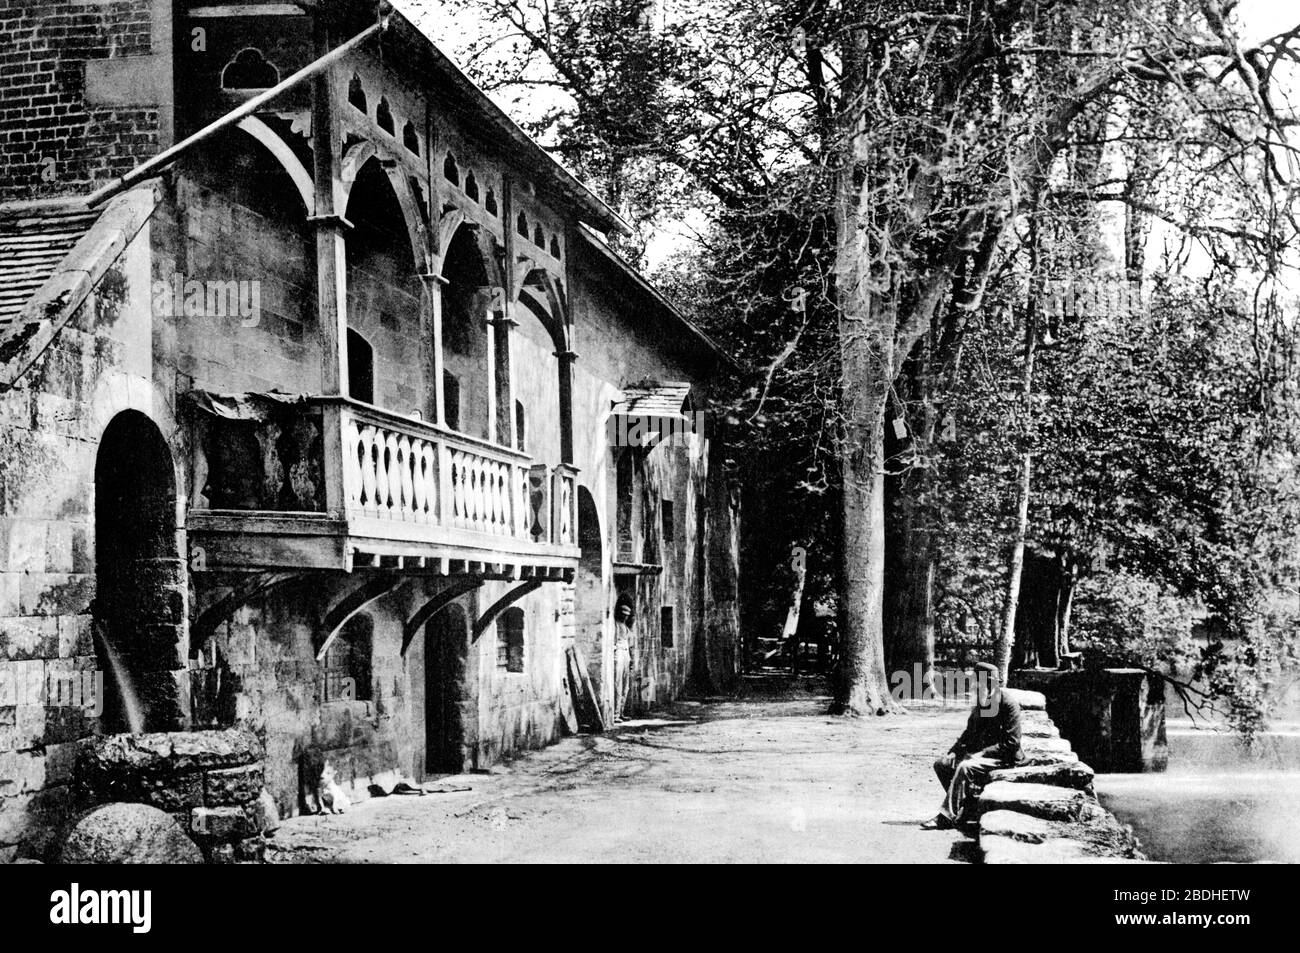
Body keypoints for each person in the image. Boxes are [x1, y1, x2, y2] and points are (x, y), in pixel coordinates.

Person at [922, 661, 1024, 830]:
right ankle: (969, 807)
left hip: (1004, 757)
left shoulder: (1008, 704)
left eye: (979, 681)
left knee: (965, 767)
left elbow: (1012, 743)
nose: (975, 685)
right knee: (942, 764)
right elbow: (969, 733)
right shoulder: (982, 702)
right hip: (981, 755)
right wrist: (953, 751)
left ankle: (946, 816)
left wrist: (982, 754)